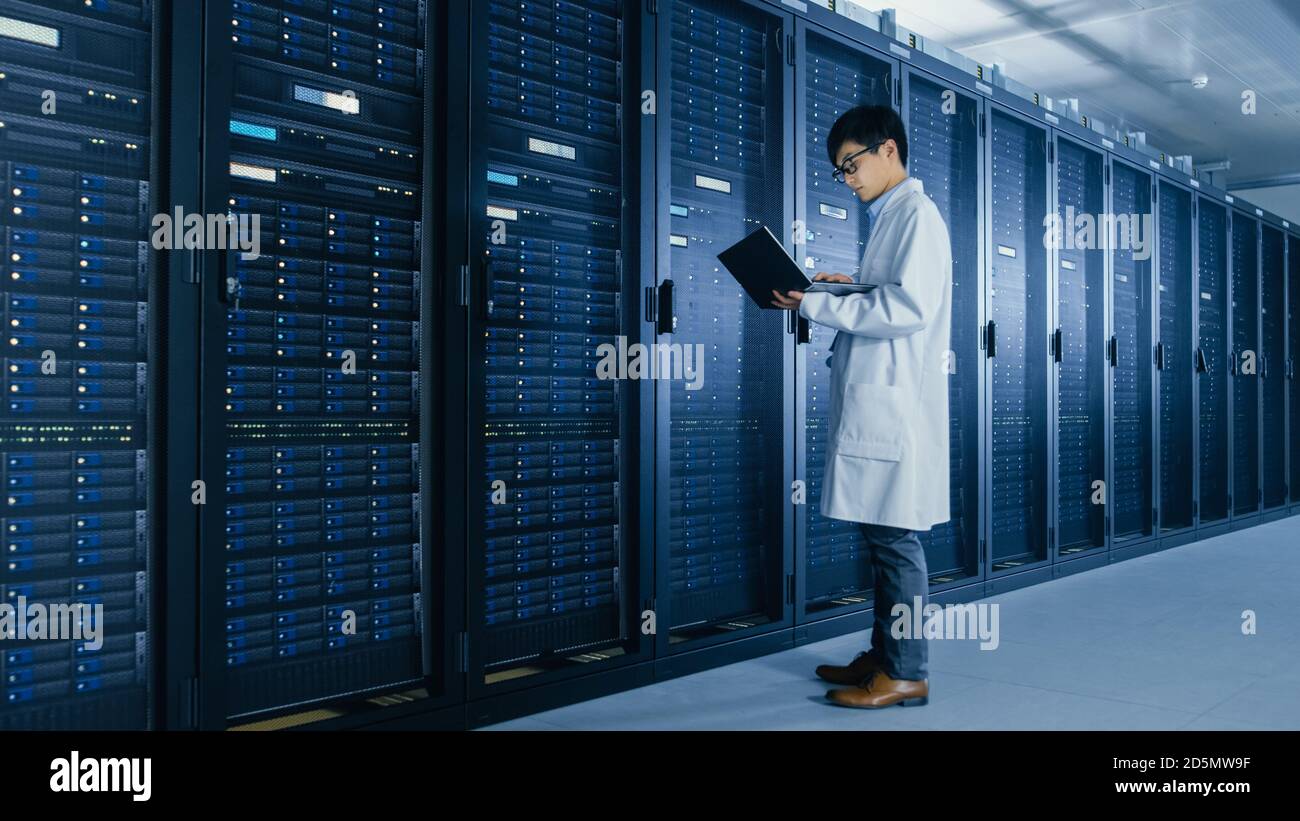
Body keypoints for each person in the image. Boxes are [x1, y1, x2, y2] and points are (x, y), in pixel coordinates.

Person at [770, 105, 952, 709]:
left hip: (895, 410)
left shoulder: (917, 216)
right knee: (882, 540)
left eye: (852, 164)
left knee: (896, 541)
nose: (847, 179)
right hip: (883, 404)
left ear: (889, 150)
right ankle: (885, 656)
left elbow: (908, 311)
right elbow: (891, 294)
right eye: (839, 171)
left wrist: (816, 306)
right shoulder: (894, 218)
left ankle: (906, 670)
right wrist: (846, 287)